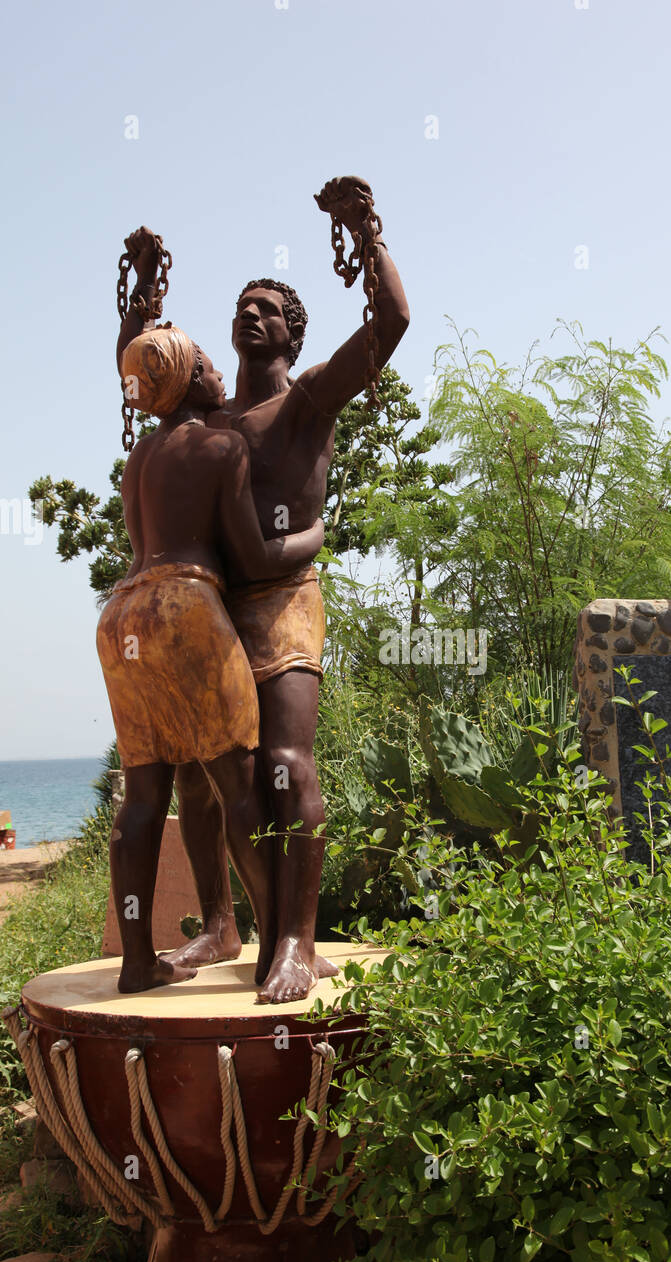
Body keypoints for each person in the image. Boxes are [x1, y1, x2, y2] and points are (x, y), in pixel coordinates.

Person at [118, 178, 409, 1003]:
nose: (250, 315)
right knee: (201, 777)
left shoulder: (307, 400)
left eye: (268, 309)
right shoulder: (204, 426)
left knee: (283, 764)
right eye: (241, 306)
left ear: (293, 331)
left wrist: (365, 232)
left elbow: (389, 324)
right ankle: (219, 924)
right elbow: (139, 374)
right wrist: (142, 298)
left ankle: (294, 938)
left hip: (282, 605)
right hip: (210, 615)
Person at [98, 323, 325, 993]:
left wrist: (141, 309)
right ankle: (276, 947)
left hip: (121, 617)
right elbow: (253, 556)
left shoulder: (138, 458)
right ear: (191, 380)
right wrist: (312, 534)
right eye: (205, 365)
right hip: (185, 610)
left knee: (143, 797)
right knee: (242, 784)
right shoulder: (223, 445)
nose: (218, 372)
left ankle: (138, 963)